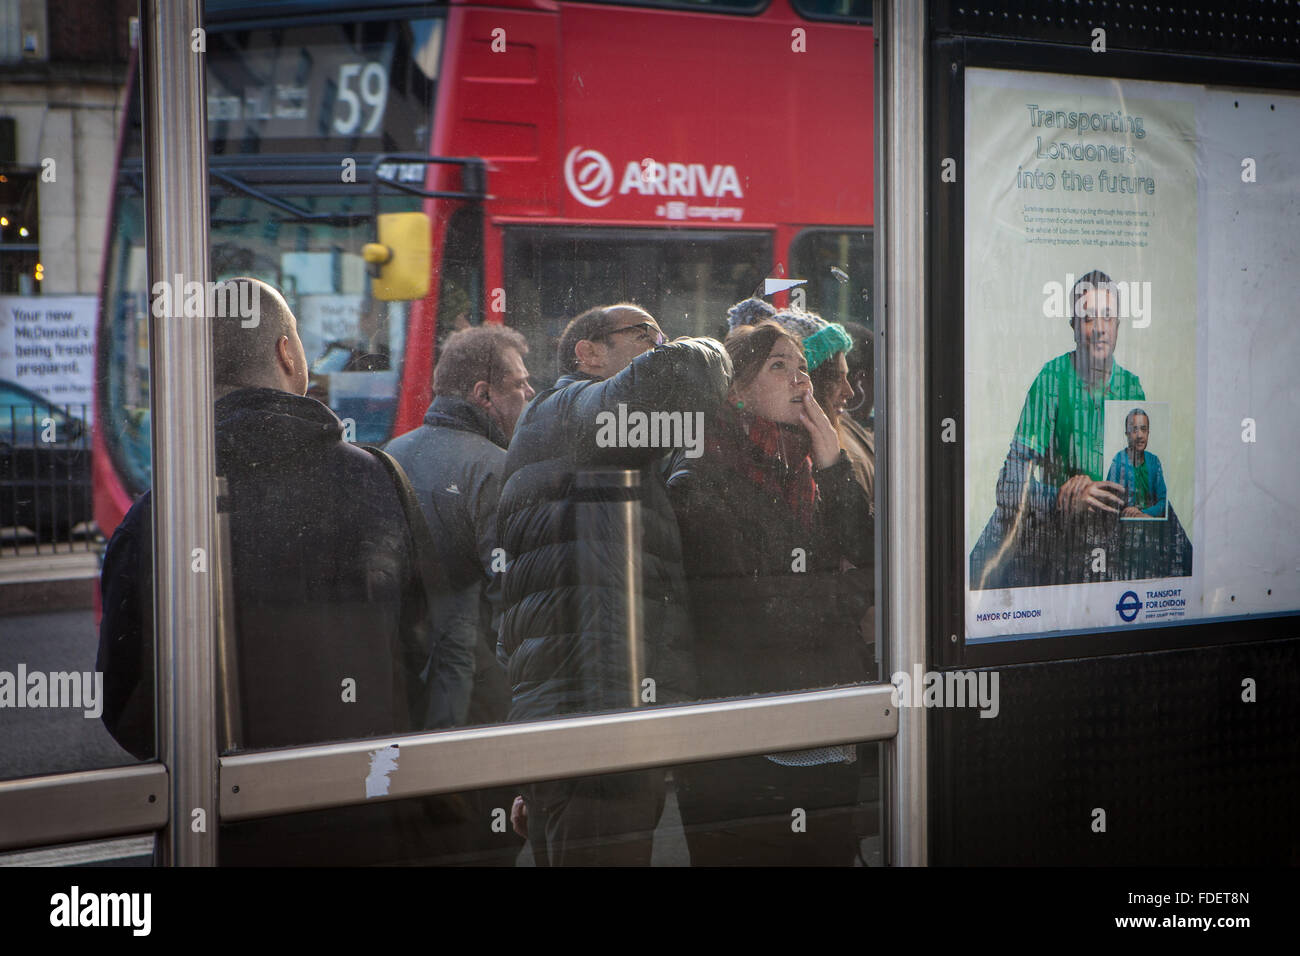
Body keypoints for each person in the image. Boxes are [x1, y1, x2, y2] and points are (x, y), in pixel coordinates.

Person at [96, 278, 440, 865]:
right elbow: (422, 648)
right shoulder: (379, 482)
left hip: (219, 836)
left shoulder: (161, 513)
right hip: (366, 820)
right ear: (286, 353)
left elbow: (124, 697)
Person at [496, 302, 731, 866]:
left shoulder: (586, 439)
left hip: (581, 718)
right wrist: (725, 350)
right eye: (645, 333)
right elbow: (681, 372)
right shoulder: (567, 409)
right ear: (588, 354)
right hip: (600, 720)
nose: (660, 342)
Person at [667, 320, 873, 865]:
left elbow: (871, 561)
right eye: (779, 366)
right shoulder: (702, 476)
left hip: (825, 727)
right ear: (735, 390)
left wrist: (833, 464)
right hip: (746, 745)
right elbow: (759, 610)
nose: (800, 380)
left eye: (802, 367)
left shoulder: (808, 465)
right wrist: (838, 606)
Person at [385, 324, 534, 865]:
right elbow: (511, 600)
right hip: (481, 702)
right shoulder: (495, 468)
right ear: (482, 394)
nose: (530, 394)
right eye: (519, 383)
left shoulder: (394, 452)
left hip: (410, 694)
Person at [1106, 407, 1168, 519]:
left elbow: (1163, 503)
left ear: (1148, 433)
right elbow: (1109, 503)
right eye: (1134, 430)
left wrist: (1143, 513)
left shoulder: (1154, 461)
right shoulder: (1118, 461)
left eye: (1143, 429)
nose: (1140, 435)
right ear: (1127, 434)